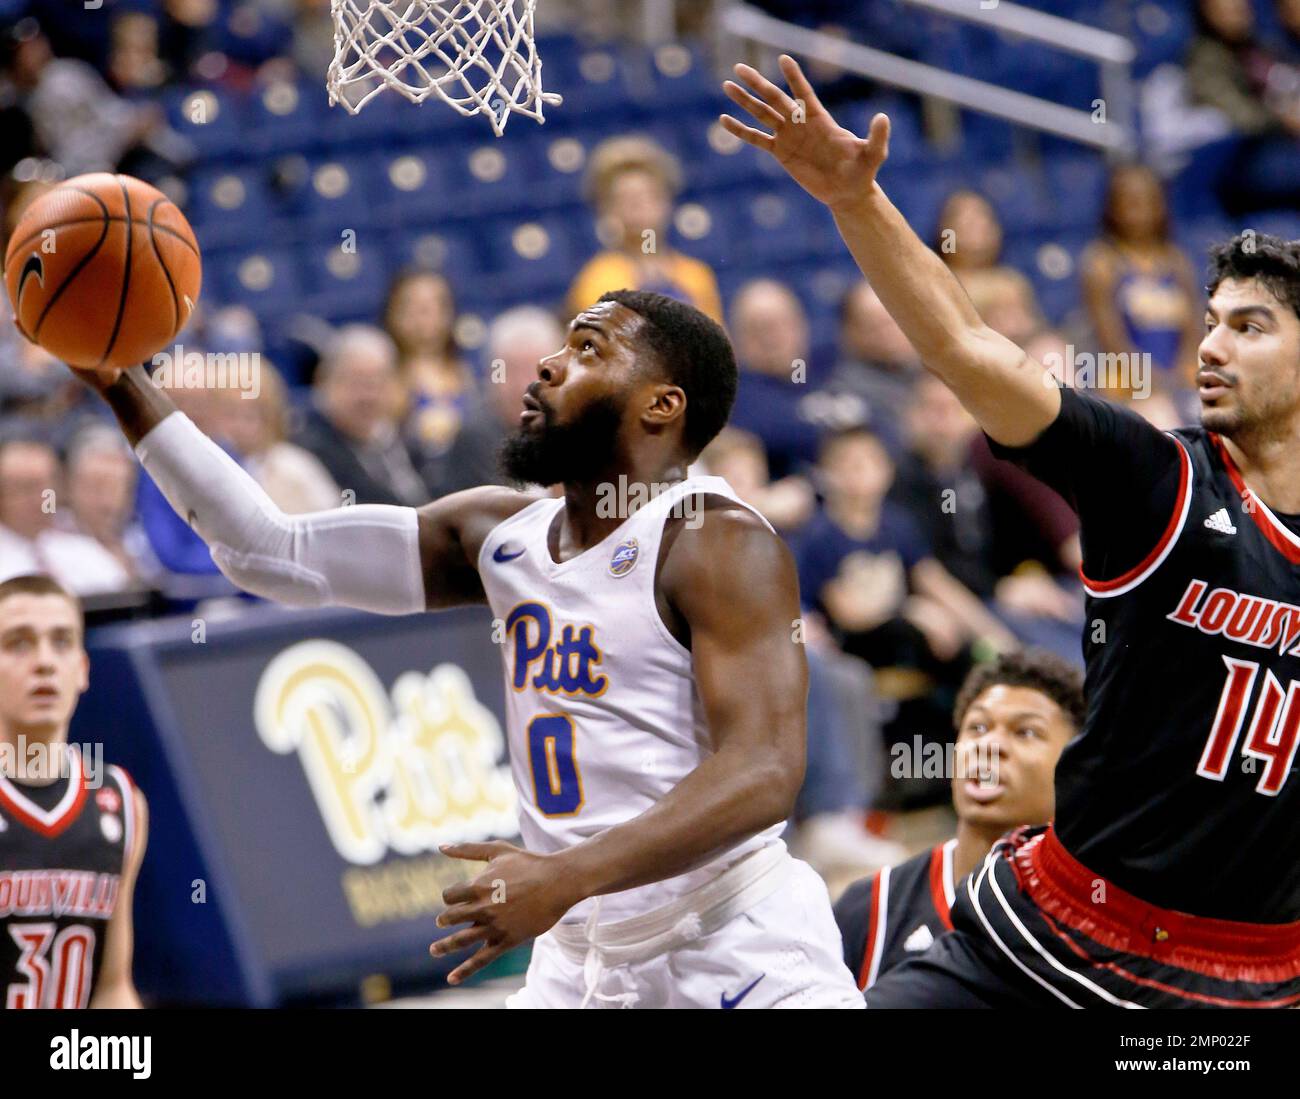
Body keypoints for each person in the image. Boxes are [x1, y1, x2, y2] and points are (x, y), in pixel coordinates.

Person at [74, 288, 864, 1010]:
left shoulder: (714, 539)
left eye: (589, 349)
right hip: (581, 962)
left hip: (730, 941)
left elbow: (764, 769)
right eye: (563, 343)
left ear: (662, 404)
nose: (550, 363)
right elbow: (267, 551)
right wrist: (122, 383)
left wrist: (566, 873)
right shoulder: (498, 534)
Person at [723, 54, 1300, 1006]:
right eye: (1209, 322)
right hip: (1050, 935)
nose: (1209, 345)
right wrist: (856, 201)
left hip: (1239, 982)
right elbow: (966, 348)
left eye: (1250, 327)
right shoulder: (1155, 476)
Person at [835, 650, 1083, 992]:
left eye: (1025, 732)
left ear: (1075, 767)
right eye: (977, 728)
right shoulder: (871, 908)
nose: (990, 745)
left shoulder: (1100, 912)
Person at [0, 574, 147, 1008]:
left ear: (82, 669)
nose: (45, 662)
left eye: (61, 642)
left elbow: (112, 986)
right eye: (19, 643)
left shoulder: (119, 801)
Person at [566, 136, 723, 323]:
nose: (639, 207)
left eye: (648, 196)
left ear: (667, 201)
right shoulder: (598, 279)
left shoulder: (695, 275)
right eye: (626, 199)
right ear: (607, 210)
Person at [1080, 164, 1204, 391]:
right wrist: (1150, 377)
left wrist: (1182, 369)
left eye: (1148, 201)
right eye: (1130, 202)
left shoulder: (1177, 261)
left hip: (1177, 374)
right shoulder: (1102, 262)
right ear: (1112, 207)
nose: (1140, 211)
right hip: (1123, 374)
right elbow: (1110, 338)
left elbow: (1192, 329)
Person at [293, 326, 431, 508]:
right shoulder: (307, 450)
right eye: (356, 382)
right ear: (325, 381)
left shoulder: (401, 437)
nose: (368, 396)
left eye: (377, 382)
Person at [0, 437, 131, 596]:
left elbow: (123, 593)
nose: (43, 499)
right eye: (28, 488)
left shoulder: (81, 549)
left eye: (49, 486)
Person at [382, 269, 478, 463]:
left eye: (436, 305)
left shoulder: (466, 372)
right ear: (393, 313)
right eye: (413, 306)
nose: (425, 316)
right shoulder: (388, 379)